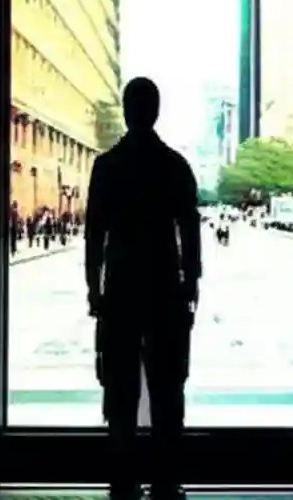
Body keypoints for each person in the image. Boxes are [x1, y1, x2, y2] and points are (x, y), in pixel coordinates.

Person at [85, 77, 201, 500]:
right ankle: (166, 478)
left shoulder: (107, 166)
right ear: (155, 111)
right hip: (164, 287)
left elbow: (94, 235)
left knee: (120, 390)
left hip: (120, 288)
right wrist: (191, 282)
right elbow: (189, 230)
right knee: (168, 388)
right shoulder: (174, 165)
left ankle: (123, 477)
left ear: (128, 109)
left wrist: (92, 288)